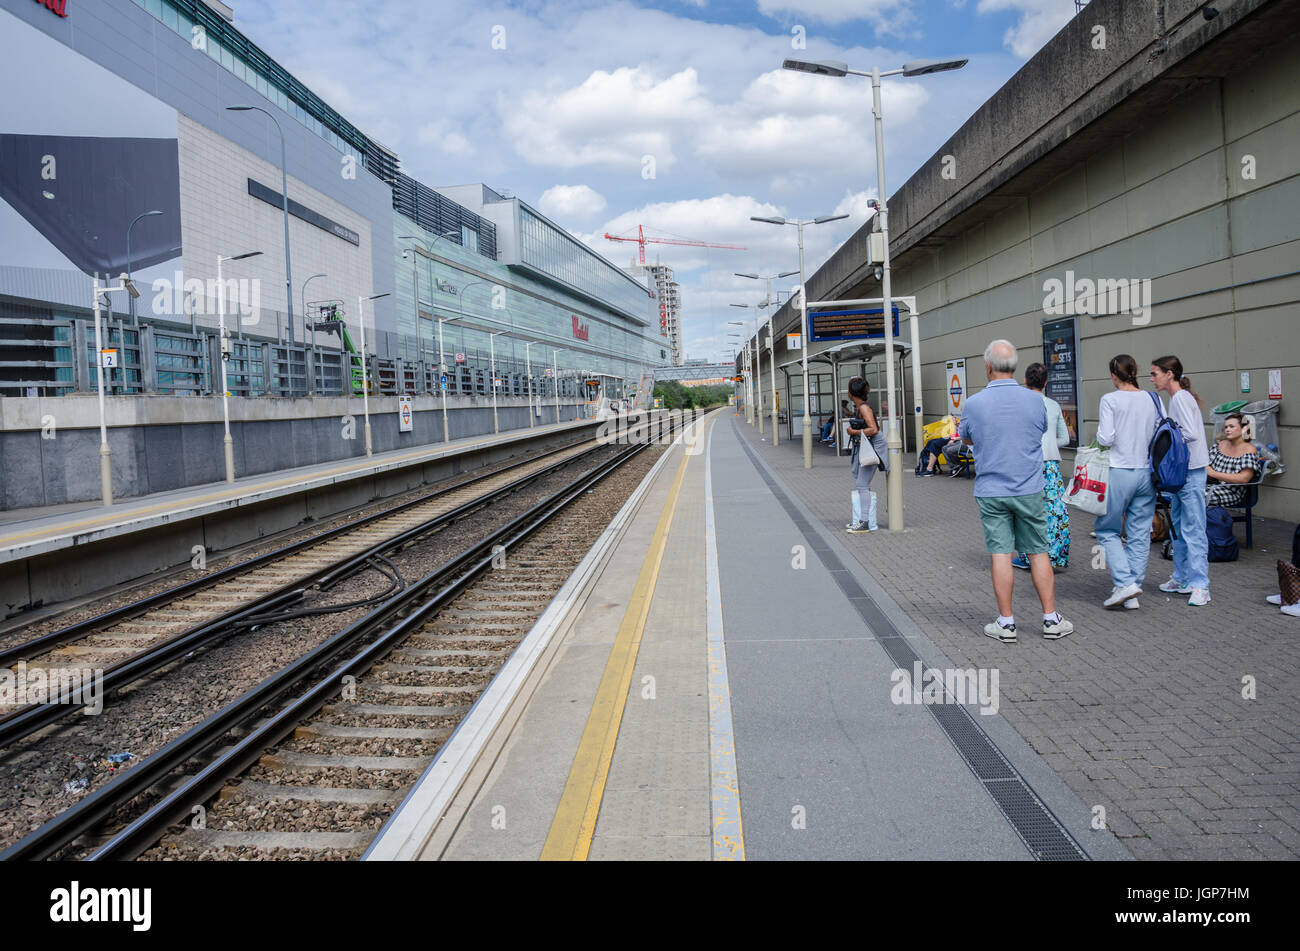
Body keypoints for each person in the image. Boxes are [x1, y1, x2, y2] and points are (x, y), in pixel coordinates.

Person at [958, 340, 1073, 642]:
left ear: (988, 366)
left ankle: (1006, 622)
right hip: (1029, 488)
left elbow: (966, 439)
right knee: (1038, 552)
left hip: (991, 489)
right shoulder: (1035, 401)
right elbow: (1039, 433)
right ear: (1015, 368)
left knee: (1000, 553)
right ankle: (1050, 619)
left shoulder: (974, 403)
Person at [1094, 354, 1160, 610]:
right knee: (1140, 533)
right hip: (1146, 472)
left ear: (1113, 375)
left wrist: (1099, 438)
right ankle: (1132, 588)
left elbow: (1106, 437)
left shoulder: (1110, 399)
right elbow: (1158, 431)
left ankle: (1124, 583)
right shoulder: (1151, 398)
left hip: (1119, 470)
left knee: (1106, 530)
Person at [1150, 356, 1211, 607]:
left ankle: (1200, 585)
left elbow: (1191, 434)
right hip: (1182, 473)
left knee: (1193, 528)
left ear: (1170, 374)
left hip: (1191, 472)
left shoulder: (1181, 399)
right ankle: (1183, 577)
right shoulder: (1178, 398)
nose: (1152, 379)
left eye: (1155, 374)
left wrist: (1165, 434)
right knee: (1178, 527)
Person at [1012, 362, 1071, 571]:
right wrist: (1050, 445)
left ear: (1026, 381)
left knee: (1026, 510)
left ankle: (1028, 557)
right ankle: (1053, 555)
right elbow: (1064, 438)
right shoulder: (1054, 405)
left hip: (1027, 463)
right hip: (1051, 465)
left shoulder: (1020, 404)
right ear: (1046, 382)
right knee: (1054, 510)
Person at [846, 378, 887, 533]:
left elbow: (873, 429)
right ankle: (862, 520)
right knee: (862, 484)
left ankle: (864, 522)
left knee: (862, 485)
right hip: (868, 448)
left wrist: (853, 431)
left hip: (872, 449)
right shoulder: (860, 407)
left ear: (851, 393)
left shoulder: (863, 408)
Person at [1206, 412, 1261, 508]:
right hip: (1210, 485)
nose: (1227, 429)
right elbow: (1205, 463)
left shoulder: (1249, 449)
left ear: (1244, 429)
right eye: (1226, 427)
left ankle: (1193, 523)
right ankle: (1183, 522)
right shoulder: (1221, 444)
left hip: (1231, 492)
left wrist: (1213, 473)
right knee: (1184, 491)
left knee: (1193, 496)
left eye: (1231, 427)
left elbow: (1244, 478)